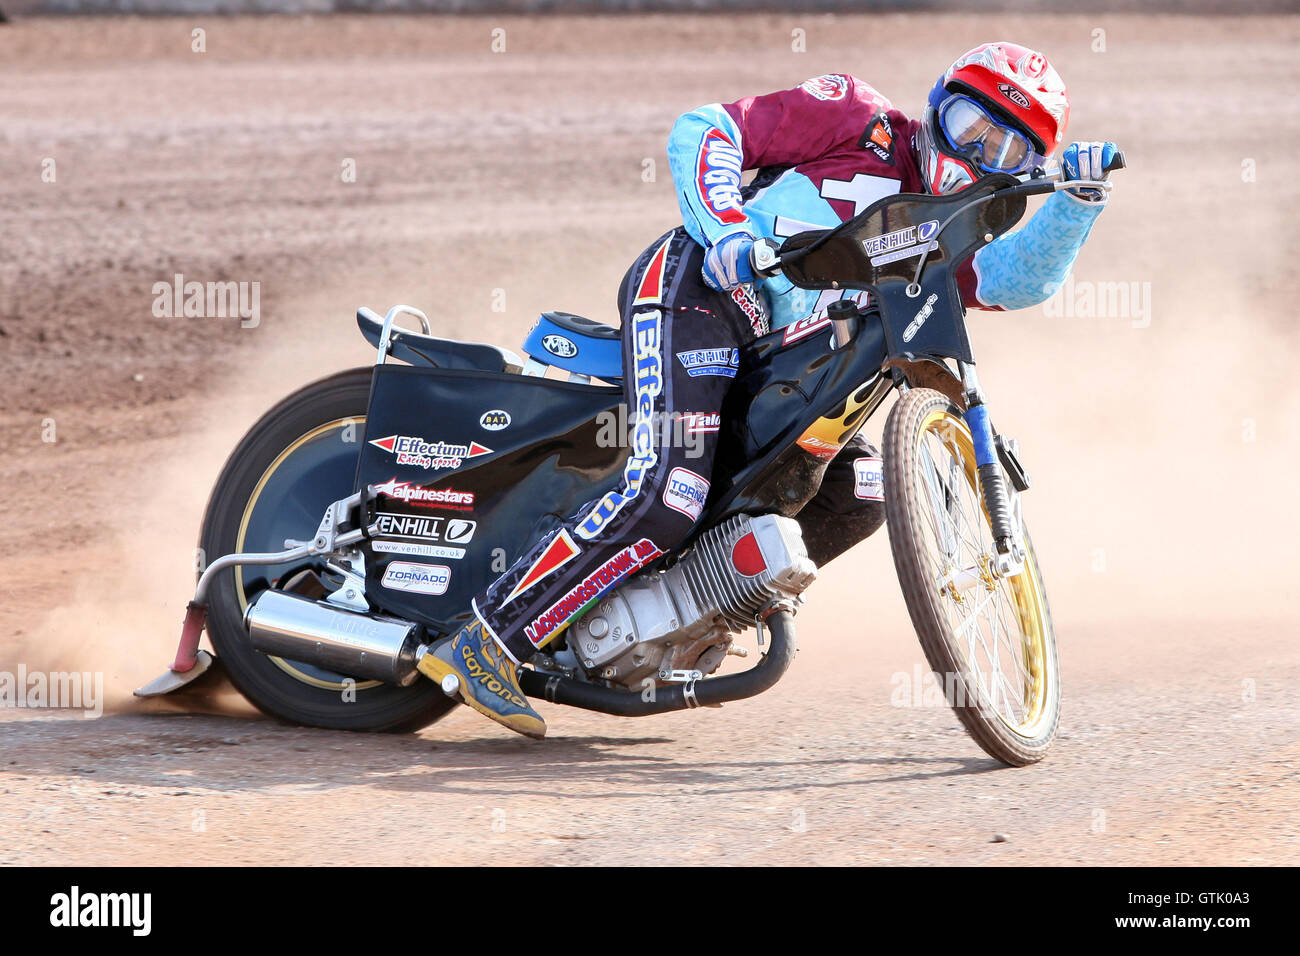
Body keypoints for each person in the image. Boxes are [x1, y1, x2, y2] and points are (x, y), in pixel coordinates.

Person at [418, 41, 1119, 738]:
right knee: (671, 490)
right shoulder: (859, 116)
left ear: (1027, 168)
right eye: (971, 124)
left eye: (1003, 149)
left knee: (866, 493)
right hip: (702, 290)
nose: (976, 151)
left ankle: (685, 611)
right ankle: (486, 641)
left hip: (777, 367)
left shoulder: (961, 225)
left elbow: (1007, 282)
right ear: (938, 104)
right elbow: (707, 128)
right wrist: (723, 228)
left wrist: (1076, 206)